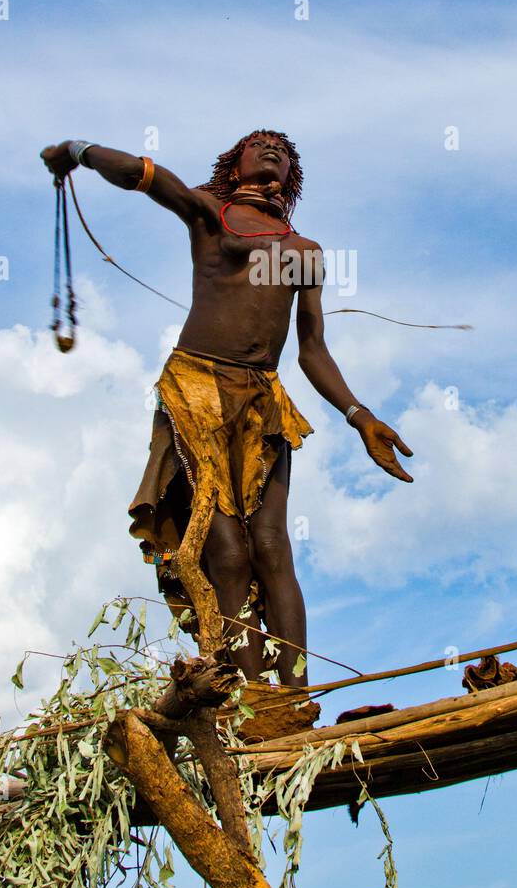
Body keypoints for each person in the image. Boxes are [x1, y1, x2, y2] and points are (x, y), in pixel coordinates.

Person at [40, 130, 413, 686]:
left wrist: (360, 417)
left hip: (263, 399)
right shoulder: (208, 212)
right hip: (197, 389)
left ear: (292, 174)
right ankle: (248, 696)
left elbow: (312, 350)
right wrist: (76, 151)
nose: (274, 152)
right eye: (259, 145)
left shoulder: (302, 252)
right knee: (228, 552)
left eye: (284, 151)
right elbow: (141, 174)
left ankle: (294, 697)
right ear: (233, 165)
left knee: (271, 546)